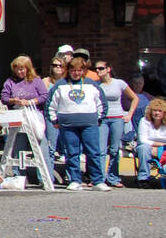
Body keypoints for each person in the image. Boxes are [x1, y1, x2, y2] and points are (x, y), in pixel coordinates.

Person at [47, 51, 107, 190]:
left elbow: (101, 103)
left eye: (79, 71)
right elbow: (51, 104)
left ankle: (97, 180)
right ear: (68, 70)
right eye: (73, 70)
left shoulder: (91, 84)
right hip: (67, 125)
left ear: (84, 71)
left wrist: (99, 119)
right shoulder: (60, 84)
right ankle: (75, 180)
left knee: (93, 152)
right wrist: (54, 120)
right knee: (72, 153)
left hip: (89, 124)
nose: (76, 73)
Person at [95, 60, 137, 188]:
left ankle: (113, 177)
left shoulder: (119, 83)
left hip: (117, 118)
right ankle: (100, 178)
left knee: (114, 149)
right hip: (102, 119)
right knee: (101, 150)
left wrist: (129, 114)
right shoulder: (97, 85)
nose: (98, 71)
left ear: (108, 69)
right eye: (96, 69)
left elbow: (134, 98)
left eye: (101, 68)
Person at [136, 98, 166, 185]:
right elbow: (142, 140)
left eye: (160, 111)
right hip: (148, 147)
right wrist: (155, 146)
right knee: (143, 148)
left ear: (164, 112)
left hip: (164, 148)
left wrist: (160, 147)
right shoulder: (144, 121)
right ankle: (143, 178)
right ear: (150, 111)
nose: (157, 113)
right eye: (154, 110)